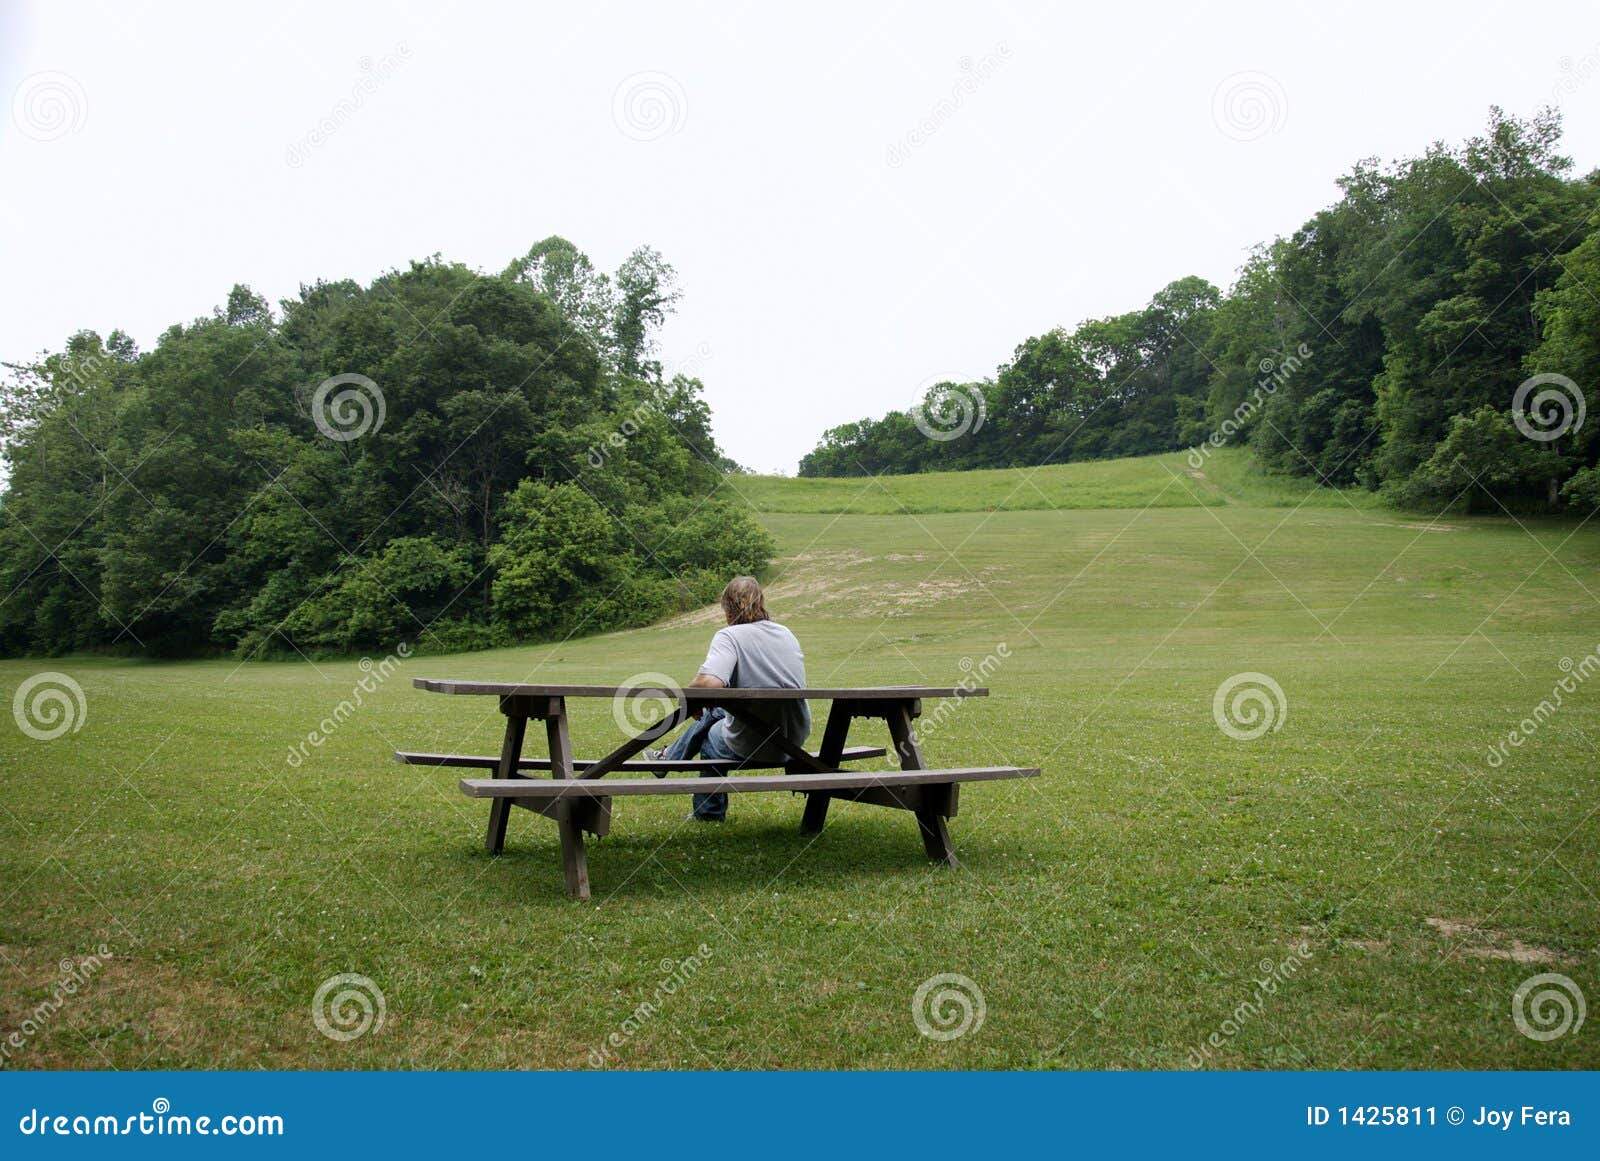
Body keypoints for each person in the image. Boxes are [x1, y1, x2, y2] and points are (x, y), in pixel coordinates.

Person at [647, 576, 810, 821]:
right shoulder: (786, 633)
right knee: (718, 709)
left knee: (710, 736)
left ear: (728, 609)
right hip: (793, 741)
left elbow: (709, 683)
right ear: (761, 602)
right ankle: (668, 757)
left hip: (756, 742)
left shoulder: (729, 636)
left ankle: (707, 811)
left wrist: (688, 697)